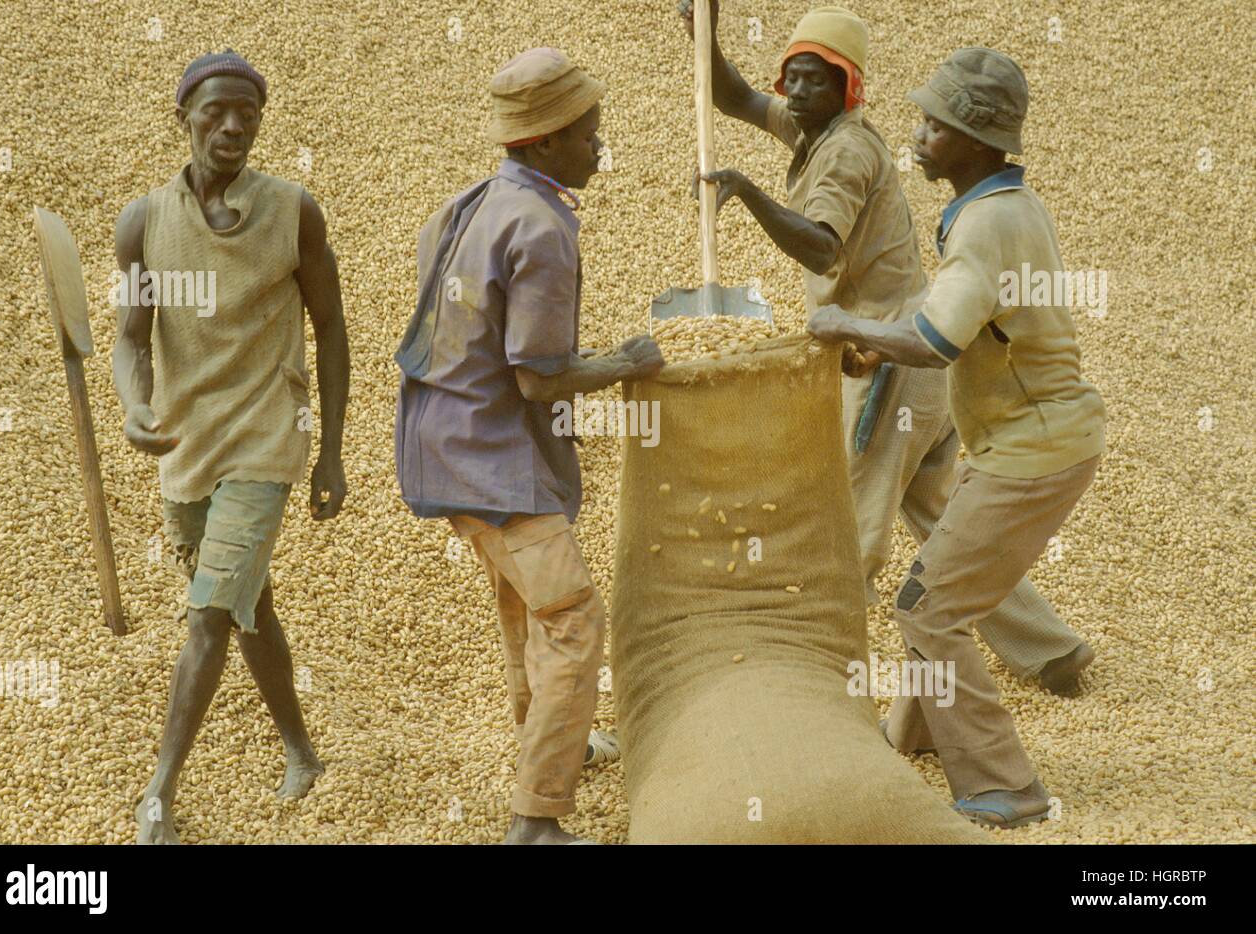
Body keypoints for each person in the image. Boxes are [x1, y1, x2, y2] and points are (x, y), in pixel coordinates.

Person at [677, 0, 1094, 694]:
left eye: (817, 79)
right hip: (922, 371)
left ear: (851, 88)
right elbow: (731, 96)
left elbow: (820, 246)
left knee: (850, 534)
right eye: (794, 76)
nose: (798, 91)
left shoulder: (845, 151)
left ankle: (827, 688)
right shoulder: (812, 127)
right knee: (938, 518)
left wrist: (748, 194)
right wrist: (706, 35)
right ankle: (1049, 648)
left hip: (889, 363)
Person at [806, 48, 1107, 827]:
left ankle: (1006, 785)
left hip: (1032, 455)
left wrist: (847, 323)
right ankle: (917, 735)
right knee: (938, 583)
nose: (919, 136)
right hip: (1033, 440)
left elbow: (939, 340)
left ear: (975, 142)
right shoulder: (1009, 203)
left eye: (935, 127)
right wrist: (881, 340)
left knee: (926, 606)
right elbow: (958, 313)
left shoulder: (983, 224)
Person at [394, 47, 664, 844]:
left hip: (440, 444)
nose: (598, 147)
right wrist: (626, 363)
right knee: (574, 619)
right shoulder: (541, 226)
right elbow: (540, 378)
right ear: (543, 142)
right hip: (494, 461)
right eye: (587, 135)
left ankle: (559, 742)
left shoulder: (470, 203)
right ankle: (536, 821)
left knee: (524, 605)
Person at [112, 50, 350, 844]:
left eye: (248, 112)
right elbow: (129, 339)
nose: (233, 125)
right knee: (249, 606)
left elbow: (332, 329)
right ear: (183, 117)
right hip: (186, 448)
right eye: (215, 110)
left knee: (209, 612)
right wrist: (133, 405)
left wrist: (329, 452)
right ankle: (302, 751)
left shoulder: (293, 212)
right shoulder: (143, 224)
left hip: (264, 441)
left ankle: (160, 794)